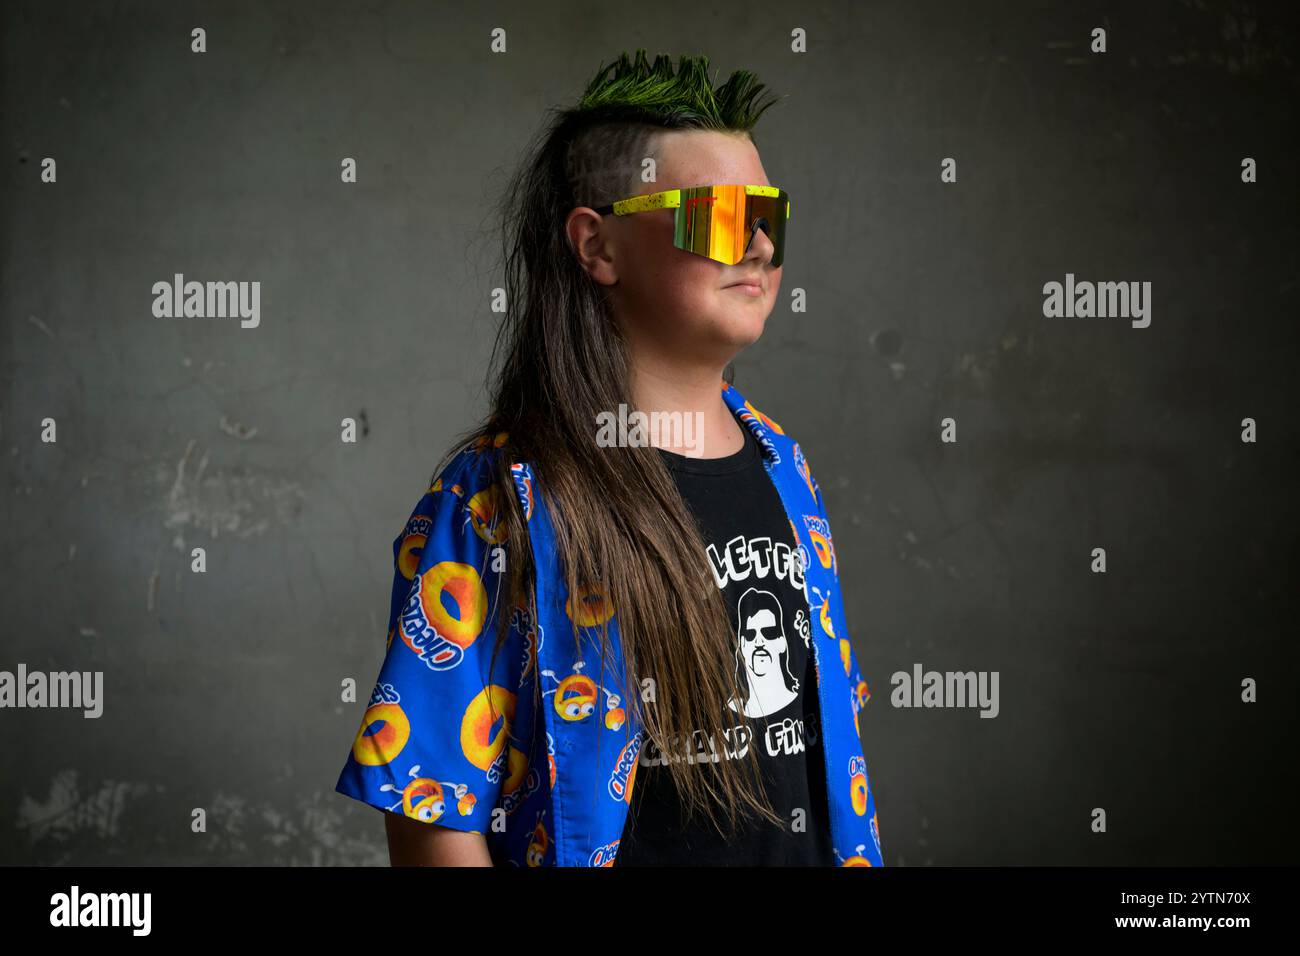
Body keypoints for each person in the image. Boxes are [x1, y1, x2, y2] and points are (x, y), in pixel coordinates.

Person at [334, 48, 884, 867]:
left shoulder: (785, 468)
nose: (762, 246)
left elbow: (827, 756)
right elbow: (430, 811)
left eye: (770, 214)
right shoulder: (501, 496)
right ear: (598, 246)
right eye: (725, 215)